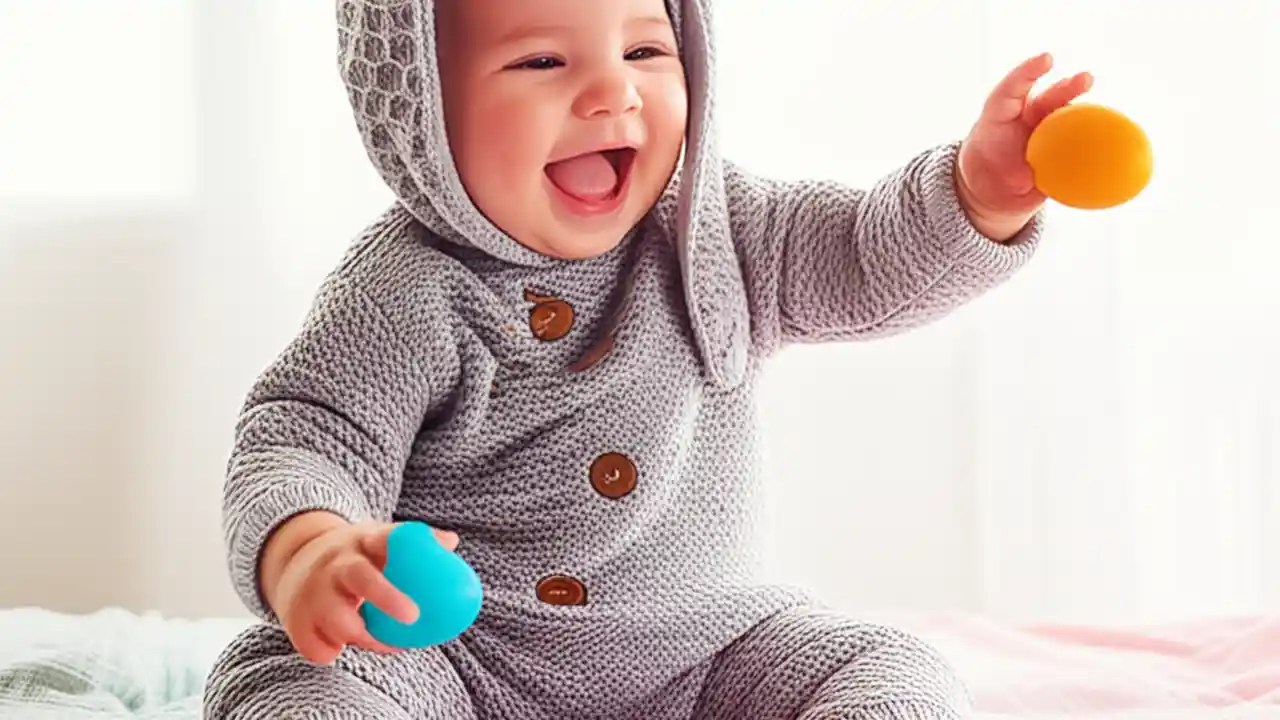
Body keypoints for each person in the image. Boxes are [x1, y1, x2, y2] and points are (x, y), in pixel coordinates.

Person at [203, 0, 1091, 717]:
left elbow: (865, 255)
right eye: (541, 61)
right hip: (457, 665)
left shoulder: (717, 233)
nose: (611, 93)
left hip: (707, 655)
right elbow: (308, 436)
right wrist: (310, 546)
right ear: (422, 112)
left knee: (894, 672)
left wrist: (976, 194)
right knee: (288, 680)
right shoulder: (407, 288)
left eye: (644, 51)